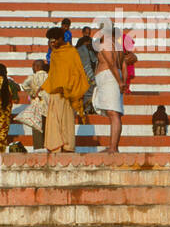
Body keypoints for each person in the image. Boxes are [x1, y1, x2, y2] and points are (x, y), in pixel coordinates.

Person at [41, 27, 89, 153]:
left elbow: (77, 72)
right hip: (55, 92)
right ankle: (55, 147)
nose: (52, 43)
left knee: (67, 121)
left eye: (54, 40)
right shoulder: (54, 54)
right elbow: (54, 74)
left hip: (68, 93)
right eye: (50, 41)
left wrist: (69, 88)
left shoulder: (72, 52)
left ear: (61, 38)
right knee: (54, 121)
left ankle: (68, 147)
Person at [93, 24, 136, 153]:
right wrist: (123, 81)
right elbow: (123, 66)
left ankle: (113, 147)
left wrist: (120, 82)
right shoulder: (117, 47)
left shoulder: (106, 43)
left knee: (114, 113)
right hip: (112, 79)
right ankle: (112, 146)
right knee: (113, 113)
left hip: (109, 78)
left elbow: (111, 64)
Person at [18, 59, 49, 151]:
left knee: (37, 129)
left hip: (37, 106)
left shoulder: (33, 77)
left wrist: (33, 93)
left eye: (33, 66)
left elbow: (24, 85)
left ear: (37, 67)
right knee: (47, 129)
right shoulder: (49, 76)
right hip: (48, 106)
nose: (32, 67)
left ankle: (39, 149)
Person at [74, 35, 97, 120]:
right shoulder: (83, 50)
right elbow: (87, 66)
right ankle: (88, 109)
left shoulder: (85, 50)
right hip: (85, 77)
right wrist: (93, 79)